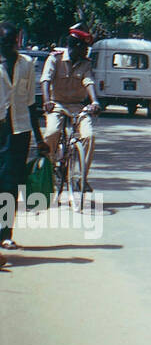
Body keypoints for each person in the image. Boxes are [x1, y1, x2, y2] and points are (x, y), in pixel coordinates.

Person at [41, 27, 101, 194]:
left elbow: (88, 81)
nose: (86, 51)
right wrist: (47, 101)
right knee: (52, 132)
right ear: (74, 47)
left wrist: (94, 101)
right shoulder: (55, 59)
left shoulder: (86, 63)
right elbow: (45, 80)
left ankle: (81, 178)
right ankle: (51, 164)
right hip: (57, 104)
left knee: (89, 136)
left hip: (77, 105)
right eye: (84, 48)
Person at [0, 22, 39, 251]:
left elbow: (31, 103)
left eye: (12, 40)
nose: (8, 45)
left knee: (11, 185)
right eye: (4, 41)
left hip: (20, 132)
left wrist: (40, 137)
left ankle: (6, 233)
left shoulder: (27, 64)